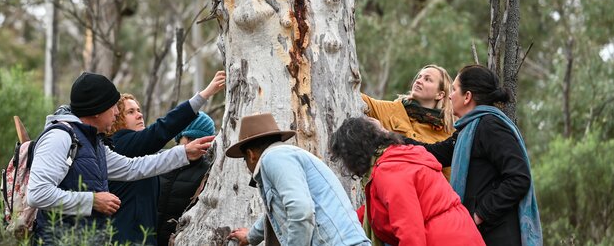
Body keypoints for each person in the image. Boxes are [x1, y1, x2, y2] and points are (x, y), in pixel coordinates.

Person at [26, 72, 214, 244]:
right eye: (114, 107)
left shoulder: (95, 143)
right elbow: (37, 194)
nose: (116, 113)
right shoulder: (60, 137)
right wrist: (92, 200)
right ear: (97, 109)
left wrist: (184, 153)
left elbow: (133, 168)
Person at [404, 65, 542, 246]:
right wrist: (387, 137)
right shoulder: (466, 132)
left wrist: (480, 214)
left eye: (454, 90)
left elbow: (519, 178)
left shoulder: (490, 126)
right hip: (478, 235)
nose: (450, 96)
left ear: (467, 96)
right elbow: (431, 153)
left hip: (498, 236)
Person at [107, 71, 226, 245]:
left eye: (139, 110)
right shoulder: (120, 144)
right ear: (117, 118)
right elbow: (160, 130)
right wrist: (205, 94)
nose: (139, 115)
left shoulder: (144, 153)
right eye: (130, 112)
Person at [329, 116, 485, 246]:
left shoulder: (389, 171)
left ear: (353, 153)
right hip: (461, 234)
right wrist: (341, 221)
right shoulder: (398, 157)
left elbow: (410, 232)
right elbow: (376, 209)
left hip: (442, 240)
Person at [226, 113, 370, 246]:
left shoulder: (273, 157)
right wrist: (251, 236)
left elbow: (300, 210)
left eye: (244, 160)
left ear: (251, 155)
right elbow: (278, 211)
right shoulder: (284, 155)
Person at [362, 64, 455, 179]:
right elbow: (360, 99)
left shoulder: (448, 132)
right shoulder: (392, 110)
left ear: (440, 94)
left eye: (427, 79)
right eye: (419, 77)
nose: (419, 81)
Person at [156, 112, 217, 246]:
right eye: (189, 138)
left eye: (202, 140)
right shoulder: (156, 160)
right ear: (179, 136)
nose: (195, 144)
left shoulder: (210, 173)